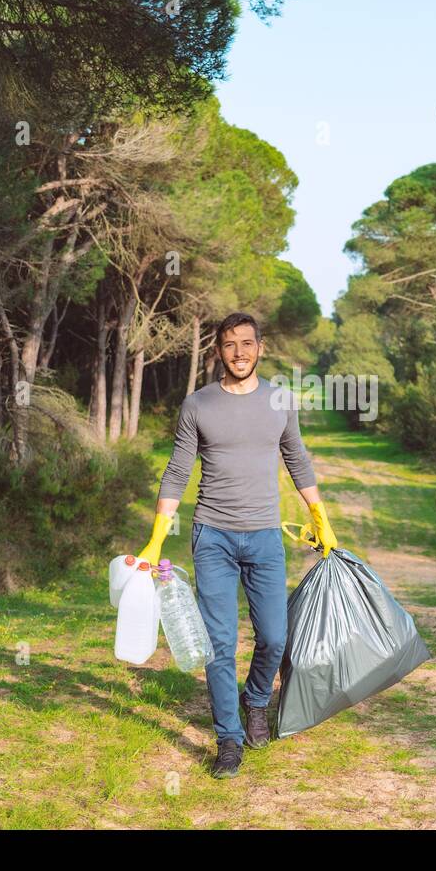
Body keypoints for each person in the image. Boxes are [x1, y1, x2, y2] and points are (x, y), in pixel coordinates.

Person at [135, 311, 338, 778]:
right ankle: (228, 736)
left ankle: (257, 700)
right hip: (213, 537)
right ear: (218, 351)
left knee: (273, 636)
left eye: (247, 344)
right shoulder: (198, 405)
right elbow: (177, 470)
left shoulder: (280, 401)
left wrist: (320, 519)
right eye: (230, 345)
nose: (239, 353)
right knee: (219, 642)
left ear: (260, 348)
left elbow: (298, 460)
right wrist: (156, 537)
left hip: (266, 536)